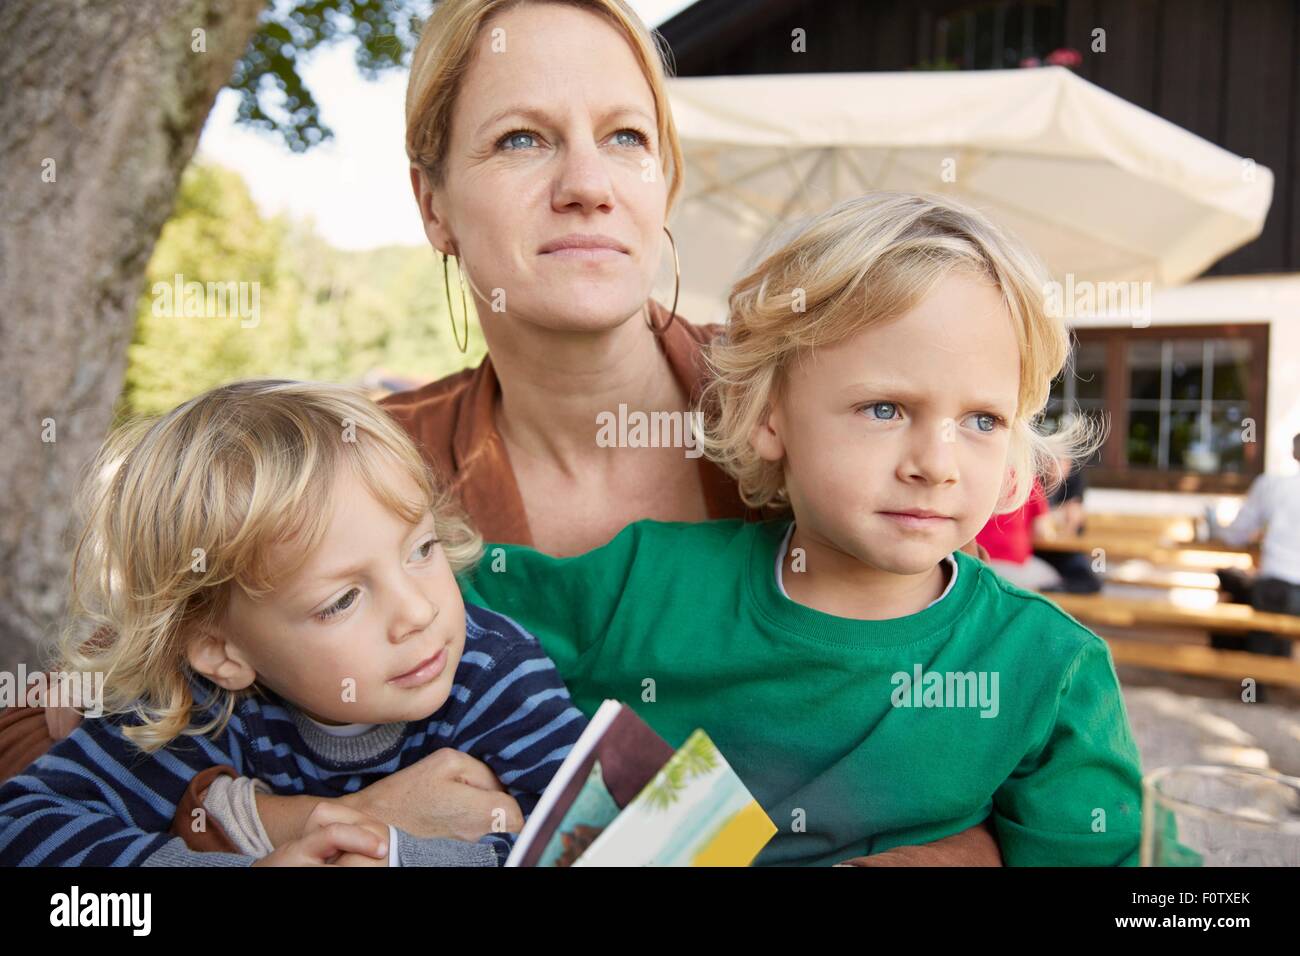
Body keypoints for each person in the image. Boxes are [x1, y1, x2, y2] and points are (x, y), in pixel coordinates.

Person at [0, 0, 998, 866]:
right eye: (521, 138)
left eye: (625, 137)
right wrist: (286, 819)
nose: (585, 183)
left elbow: (989, 693)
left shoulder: (823, 419)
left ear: (664, 183)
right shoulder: (361, 471)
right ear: (432, 204)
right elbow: (41, 730)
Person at [195, 193, 1144, 866]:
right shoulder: (644, 583)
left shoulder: (1052, 669)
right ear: (770, 417)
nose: (938, 460)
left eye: (983, 420)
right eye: (885, 408)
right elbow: (395, 604)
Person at [0, 381, 587, 866]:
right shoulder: (198, 707)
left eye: (422, 549)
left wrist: (409, 856)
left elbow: (601, 833)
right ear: (222, 653)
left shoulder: (495, 676)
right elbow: (23, 831)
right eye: (341, 601)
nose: (417, 612)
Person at [1212, 431, 1300, 658]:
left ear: (1294, 453)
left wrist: (1217, 529)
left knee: (1260, 626)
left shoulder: (1271, 485)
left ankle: (1257, 684)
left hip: (1274, 585)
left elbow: (1236, 535)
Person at [975, 478, 1064, 590]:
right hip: (1014, 566)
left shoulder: (982, 478)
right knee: (1055, 579)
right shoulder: (1027, 480)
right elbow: (1043, 532)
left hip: (977, 563)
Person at [1034, 454, 1102, 593]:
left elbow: (1074, 517)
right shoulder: (1035, 481)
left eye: (1062, 461)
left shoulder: (1075, 477)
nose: (1056, 466)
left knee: (1091, 576)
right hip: (1038, 549)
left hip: (1065, 549)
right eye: (1053, 460)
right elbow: (1040, 526)